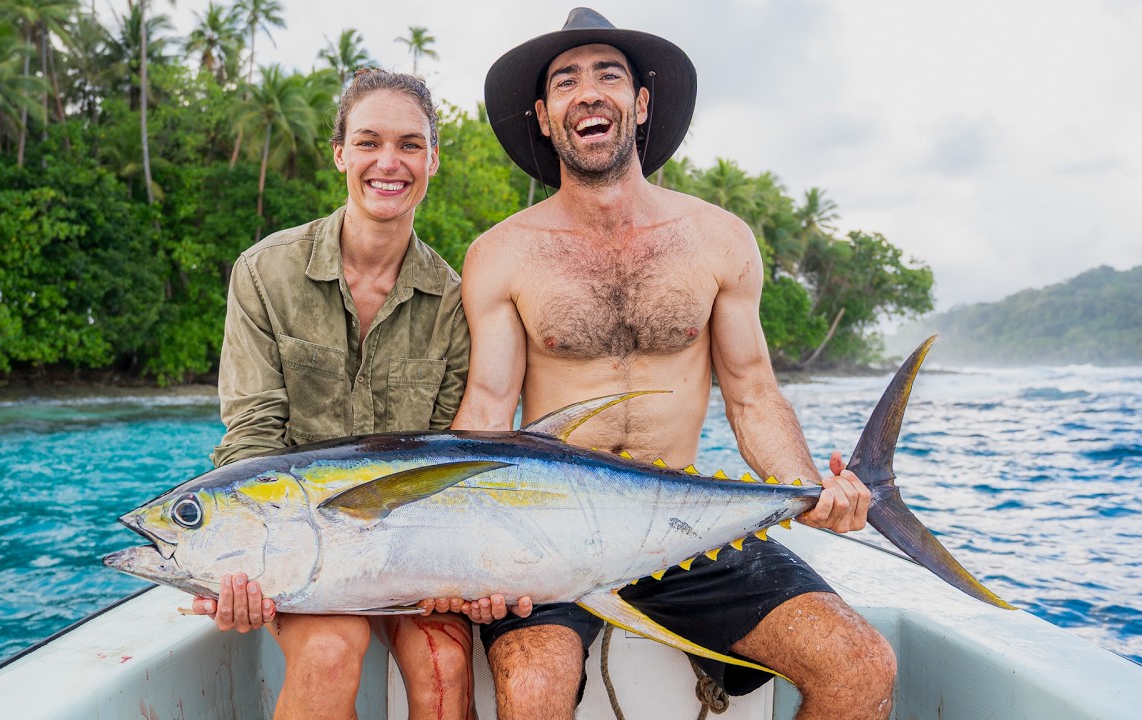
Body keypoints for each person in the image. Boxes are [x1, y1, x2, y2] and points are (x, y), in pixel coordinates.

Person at [438, 8, 897, 720]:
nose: (588, 92)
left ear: (641, 102)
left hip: (685, 521)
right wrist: (466, 552)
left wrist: (812, 489)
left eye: (608, 75)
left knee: (862, 667)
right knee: (531, 692)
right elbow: (488, 413)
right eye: (566, 81)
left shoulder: (719, 238)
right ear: (544, 113)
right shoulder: (500, 254)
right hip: (548, 529)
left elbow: (751, 395)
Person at [193, 68, 475, 720]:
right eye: (369, 141)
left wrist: (471, 575)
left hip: (416, 549)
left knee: (446, 663)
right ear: (340, 152)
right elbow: (253, 439)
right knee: (327, 650)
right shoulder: (265, 273)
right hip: (299, 547)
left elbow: (451, 457)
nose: (389, 162)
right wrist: (244, 568)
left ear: (432, 159)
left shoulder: (458, 302)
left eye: (409, 144)